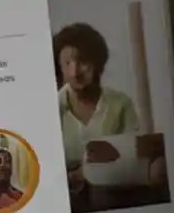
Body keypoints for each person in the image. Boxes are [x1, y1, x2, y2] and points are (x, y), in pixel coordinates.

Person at [54, 23, 140, 173]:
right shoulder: (52, 107)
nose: (75, 73)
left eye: (83, 62)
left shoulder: (120, 104)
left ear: (98, 63)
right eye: (67, 63)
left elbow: (132, 157)